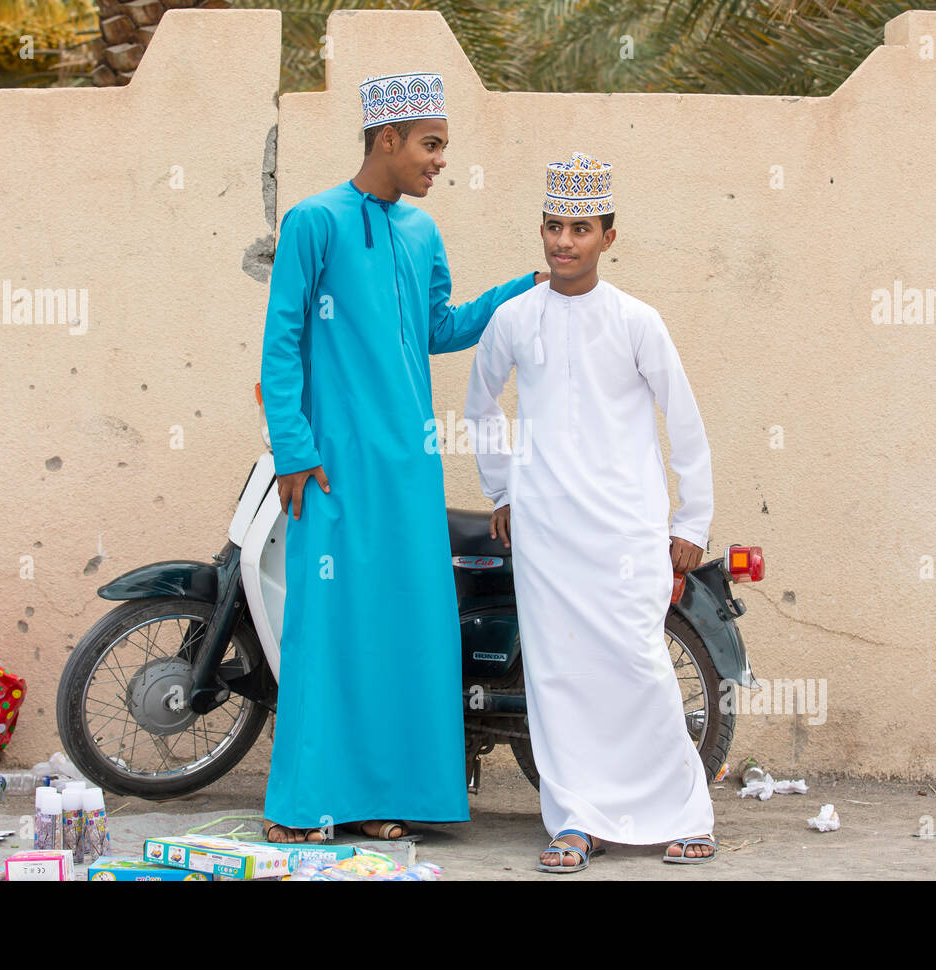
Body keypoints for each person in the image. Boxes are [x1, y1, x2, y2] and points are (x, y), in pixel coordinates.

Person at [258, 71, 547, 844]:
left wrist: (518, 292)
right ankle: (308, 804)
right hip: (330, 469)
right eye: (431, 144)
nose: (440, 160)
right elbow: (282, 342)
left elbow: (438, 328)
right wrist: (292, 447)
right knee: (328, 627)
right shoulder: (311, 222)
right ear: (387, 138)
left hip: (408, 470)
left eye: (443, 146)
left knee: (404, 629)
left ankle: (384, 798)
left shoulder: (421, 234)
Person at [463, 152, 717, 871]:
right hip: (546, 529)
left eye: (579, 227)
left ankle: (682, 811)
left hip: (626, 528)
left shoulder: (638, 321)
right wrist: (504, 490)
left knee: (639, 666)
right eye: (552, 226)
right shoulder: (513, 319)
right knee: (558, 678)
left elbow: (684, 419)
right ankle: (577, 819)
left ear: (608, 236)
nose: (563, 242)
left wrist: (691, 521)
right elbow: (480, 406)